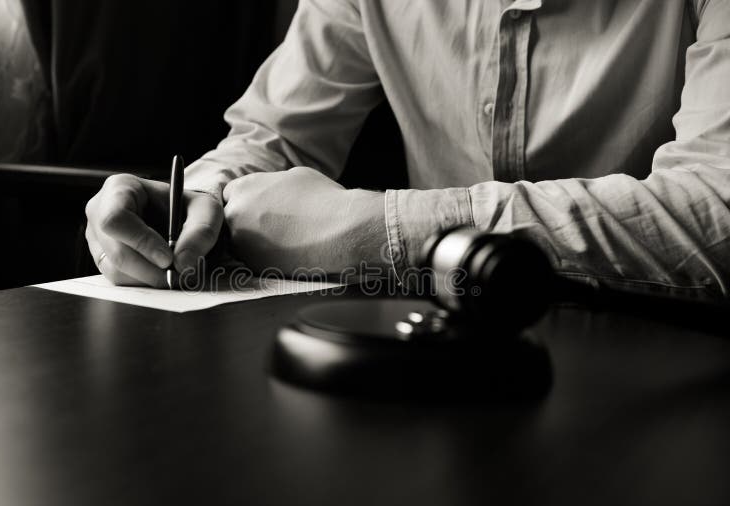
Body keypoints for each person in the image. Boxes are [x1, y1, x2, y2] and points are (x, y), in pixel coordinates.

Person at [84, 0, 730, 299]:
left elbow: (718, 208)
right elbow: (267, 138)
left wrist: (379, 231)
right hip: (434, 349)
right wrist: (196, 200)